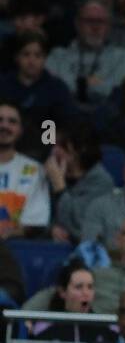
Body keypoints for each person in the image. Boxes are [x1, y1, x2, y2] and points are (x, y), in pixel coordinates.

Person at [0, 99, 50, 238]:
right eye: (0, 120)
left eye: (12, 121)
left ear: (20, 130)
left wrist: (10, 232)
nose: (4, 125)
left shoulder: (34, 170)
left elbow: (36, 223)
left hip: (14, 246)